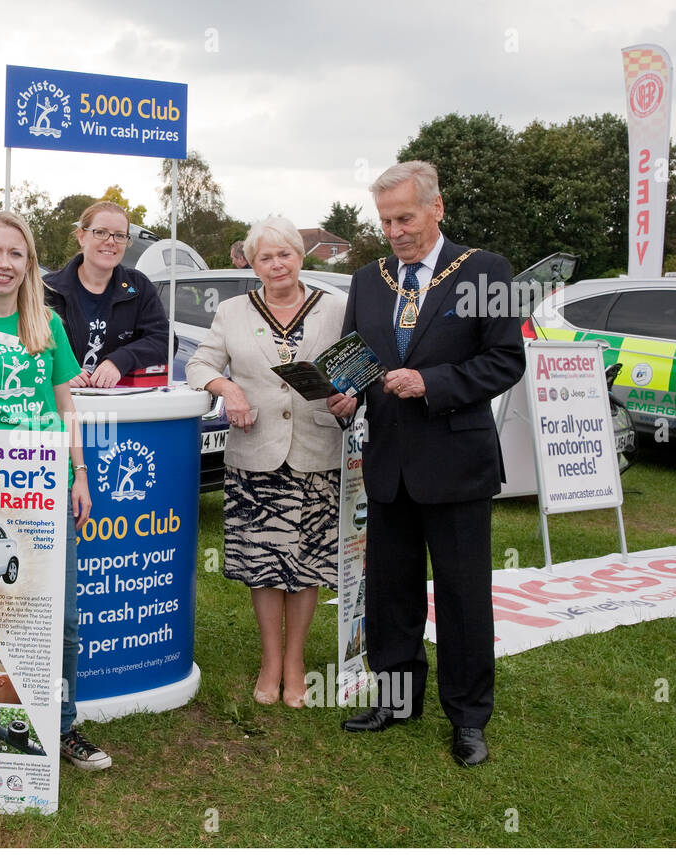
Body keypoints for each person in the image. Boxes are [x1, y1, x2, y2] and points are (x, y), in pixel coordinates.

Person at [327, 160, 524, 766]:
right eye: (385, 221)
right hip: (387, 464)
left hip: (457, 463)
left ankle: (467, 718)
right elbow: (357, 358)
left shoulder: (488, 270)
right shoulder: (367, 279)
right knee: (392, 591)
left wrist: (431, 382)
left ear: (437, 208)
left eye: (405, 218)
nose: (395, 231)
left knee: (464, 595)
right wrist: (345, 391)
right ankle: (396, 698)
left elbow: (505, 361)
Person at [0, 210, 111, 771]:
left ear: (29, 262)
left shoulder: (48, 327)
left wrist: (80, 473)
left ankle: (61, 725)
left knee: (63, 618)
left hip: (48, 492)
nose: (4, 264)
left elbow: (66, 408)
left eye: (16, 253)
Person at [186, 216, 346, 708]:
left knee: (307, 563)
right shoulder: (234, 311)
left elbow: (356, 367)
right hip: (255, 455)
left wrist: (351, 395)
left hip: (318, 452)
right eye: (264, 257)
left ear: (301, 256)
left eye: (285, 254)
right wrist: (227, 387)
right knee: (263, 563)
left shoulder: (336, 309)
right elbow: (199, 364)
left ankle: (295, 662)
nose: (276, 264)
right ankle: (270, 659)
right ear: (250, 263)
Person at [44, 200, 168, 388]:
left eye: (119, 235)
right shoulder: (47, 290)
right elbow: (19, 343)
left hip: (119, 409)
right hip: (57, 406)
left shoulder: (139, 287)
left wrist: (120, 361)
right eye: (100, 232)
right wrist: (58, 369)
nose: (110, 241)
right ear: (81, 236)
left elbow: (164, 340)